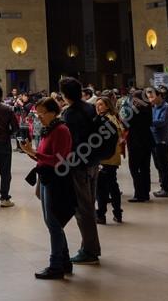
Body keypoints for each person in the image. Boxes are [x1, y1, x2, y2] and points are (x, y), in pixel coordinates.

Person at [21, 97, 77, 280]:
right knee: (53, 223)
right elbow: (45, 157)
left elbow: (59, 159)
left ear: (53, 112)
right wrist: (32, 152)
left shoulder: (61, 130)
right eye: (37, 114)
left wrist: (35, 153)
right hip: (47, 178)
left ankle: (56, 265)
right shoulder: (49, 130)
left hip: (56, 180)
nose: (39, 117)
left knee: (53, 223)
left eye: (41, 113)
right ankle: (64, 261)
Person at [58, 77, 100, 265]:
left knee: (83, 210)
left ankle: (90, 250)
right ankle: (90, 247)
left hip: (78, 166)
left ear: (65, 95)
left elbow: (69, 144)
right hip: (93, 163)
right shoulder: (90, 108)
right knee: (89, 205)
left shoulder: (70, 114)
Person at [94, 96, 124, 224]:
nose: (98, 107)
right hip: (112, 156)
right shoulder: (114, 118)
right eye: (97, 104)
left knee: (101, 188)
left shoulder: (105, 120)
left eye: (101, 104)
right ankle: (117, 212)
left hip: (106, 158)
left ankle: (101, 214)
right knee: (112, 186)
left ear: (107, 106)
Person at [126, 90, 152, 203]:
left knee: (134, 168)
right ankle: (145, 193)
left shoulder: (134, 110)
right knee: (145, 168)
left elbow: (126, 123)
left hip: (136, 141)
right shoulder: (148, 108)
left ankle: (139, 193)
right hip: (147, 140)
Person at [147, 87, 168, 197]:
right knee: (158, 164)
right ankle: (163, 185)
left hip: (161, 140)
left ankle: (167, 189)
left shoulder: (166, 107)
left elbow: (161, 122)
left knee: (163, 164)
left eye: (152, 97)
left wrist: (147, 121)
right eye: (148, 97)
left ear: (159, 96)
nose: (150, 99)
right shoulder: (153, 107)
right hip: (153, 139)